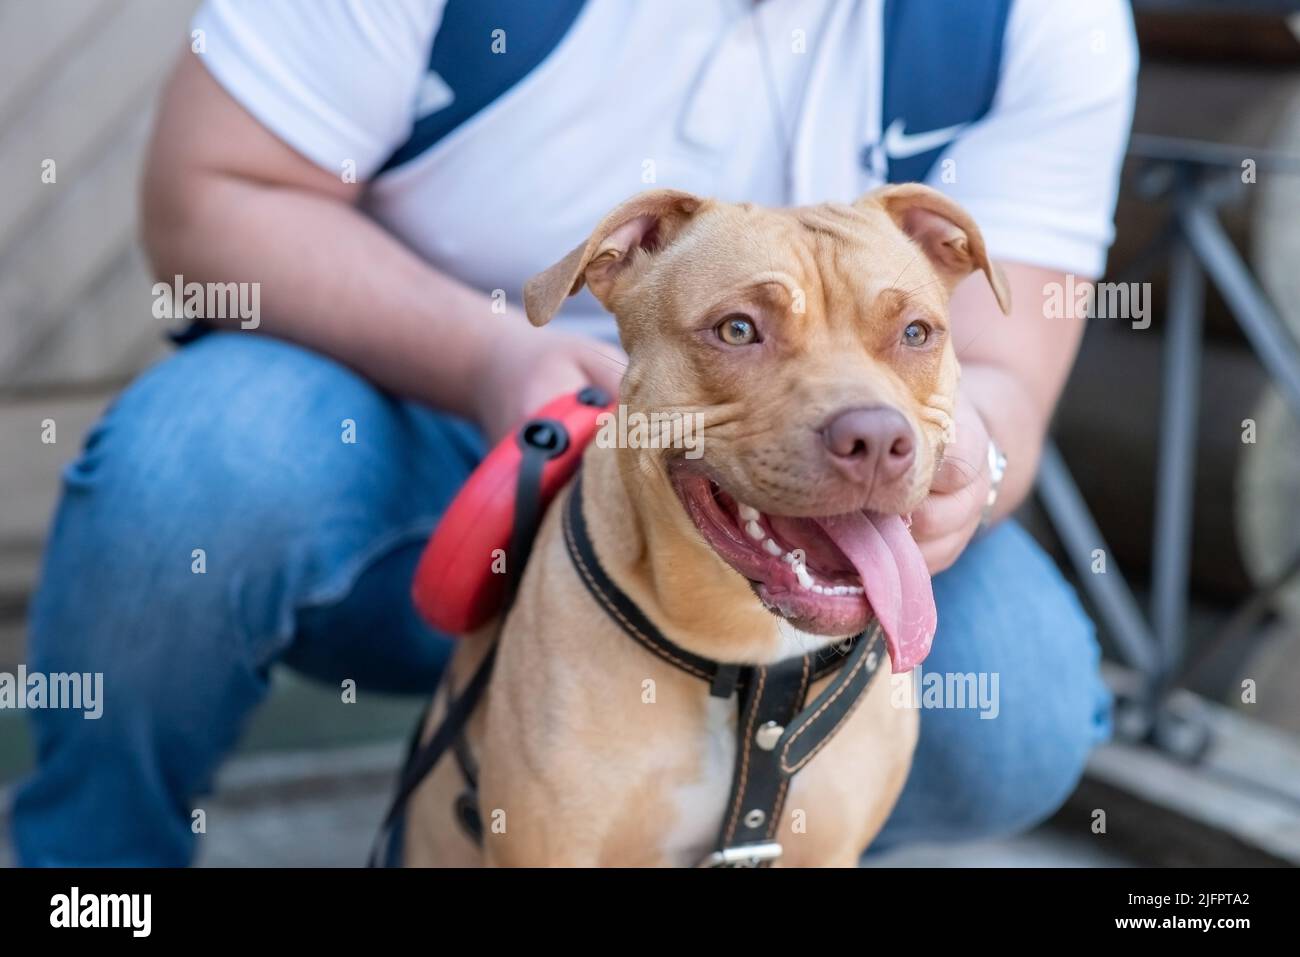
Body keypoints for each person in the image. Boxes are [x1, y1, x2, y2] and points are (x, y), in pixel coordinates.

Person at [12, 0, 1137, 865]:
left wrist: (966, 463)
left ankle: (735, 824)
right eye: (743, 326)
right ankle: (94, 880)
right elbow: (209, 197)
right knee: (192, 474)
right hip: (398, 431)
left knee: (1019, 698)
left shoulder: (1036, 22)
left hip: (800, 494)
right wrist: (486, 357)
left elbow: (998, 370)